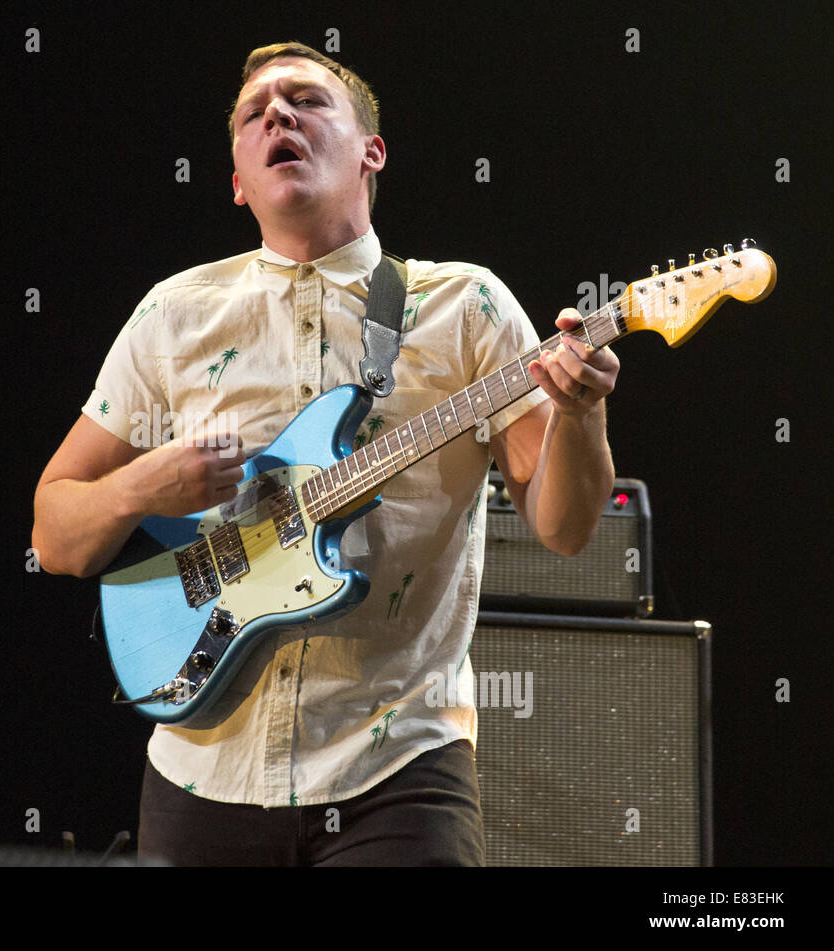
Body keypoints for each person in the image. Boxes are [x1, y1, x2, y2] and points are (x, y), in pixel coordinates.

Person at [31, 42, 618, 866]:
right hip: (201, 771)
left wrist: (581, 412)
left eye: (307, 100)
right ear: (238, 179)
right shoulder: (174, 313)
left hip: (400, 766)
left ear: (371, 151)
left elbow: (564, 529)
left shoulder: (468, 307)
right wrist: (137, 486)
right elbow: (54, 537)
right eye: (254, 113)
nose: (278, 114)